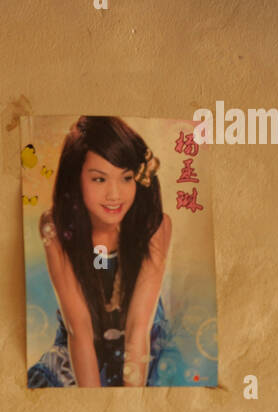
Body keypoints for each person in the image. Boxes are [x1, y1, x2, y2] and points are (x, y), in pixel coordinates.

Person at [28, 115, 173, 388]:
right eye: (99, 179)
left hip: (144, 342)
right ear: (76, 178)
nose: (114, 195)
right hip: (80, 343)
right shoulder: (57, 228)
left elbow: (137, 329)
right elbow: (78, 329)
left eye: (126, 178)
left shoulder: (155, 226)